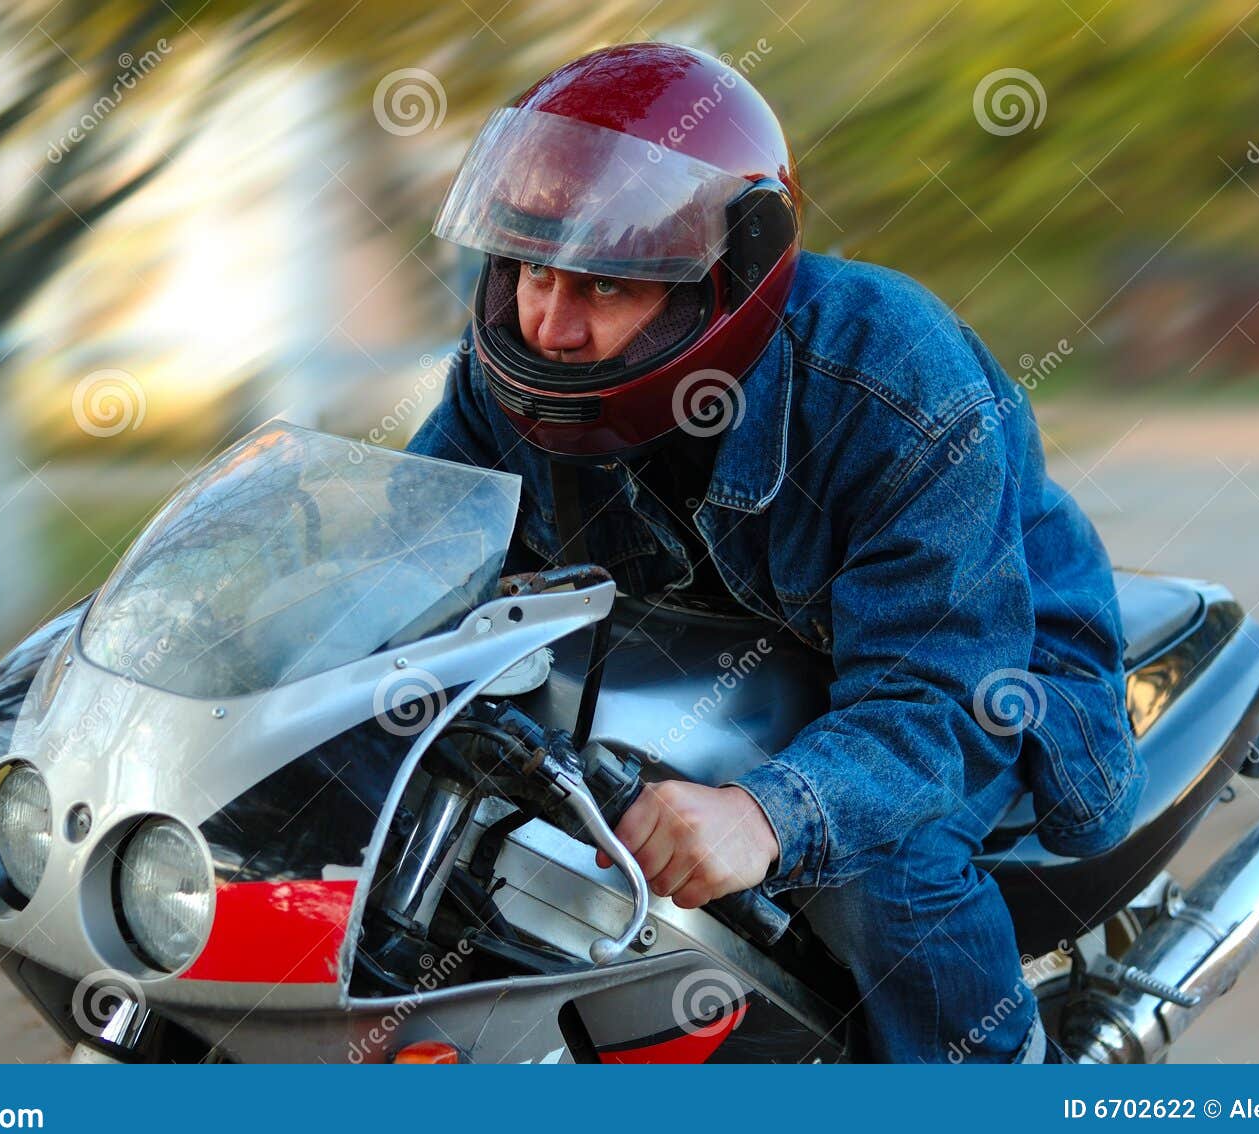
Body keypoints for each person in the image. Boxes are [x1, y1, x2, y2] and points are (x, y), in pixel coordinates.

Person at [408, 42, 1146, 1063]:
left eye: (605, 286)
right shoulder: (510, 372)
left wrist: (767, 812)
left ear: (726, 277)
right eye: (534, 268)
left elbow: (935, 701)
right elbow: (415, 549)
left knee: (881, 872)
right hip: (708, 667)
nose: (550, 323)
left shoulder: (895, 381)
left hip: (983, 663)